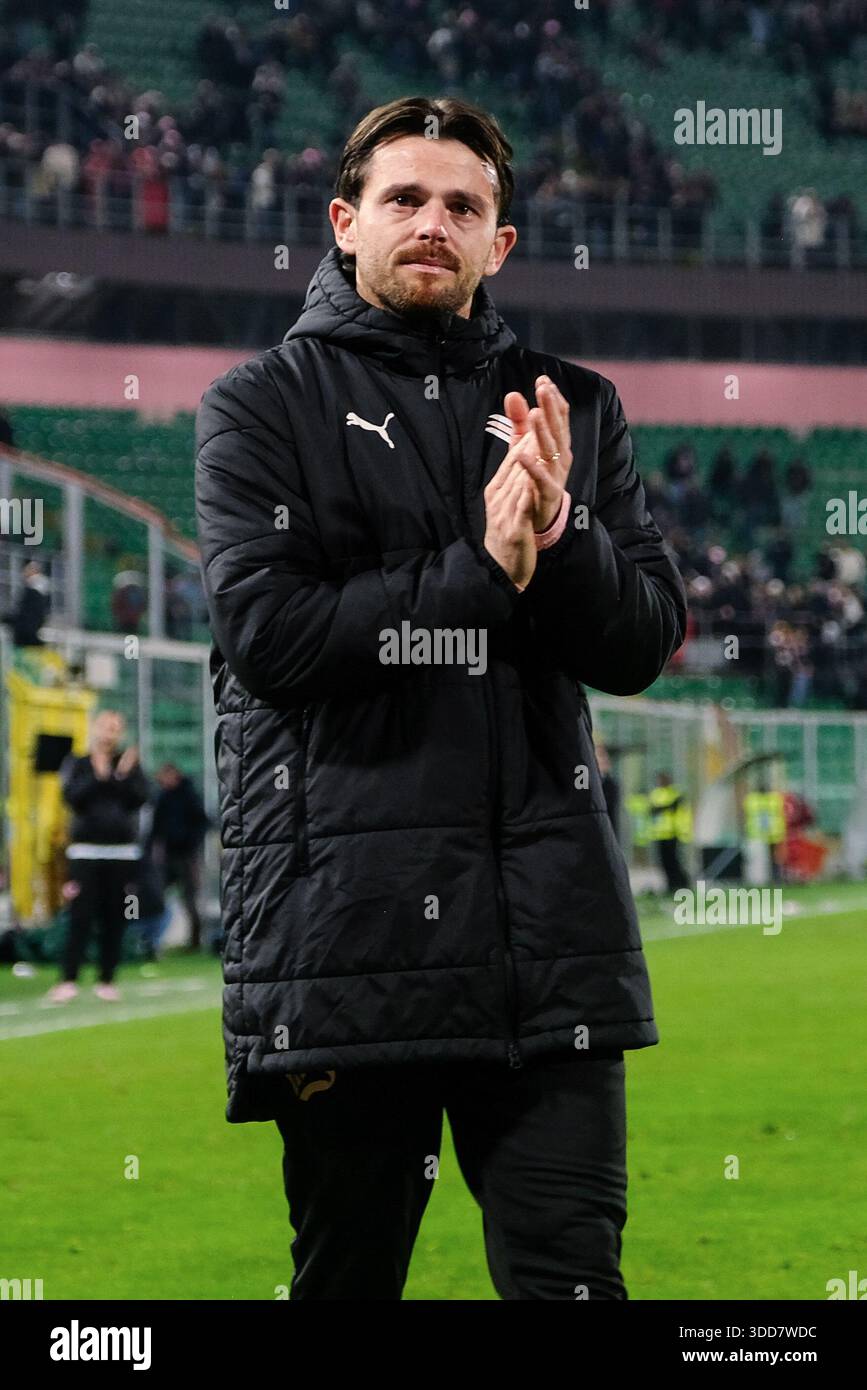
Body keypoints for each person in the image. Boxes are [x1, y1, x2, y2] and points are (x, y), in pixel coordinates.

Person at [195, 95, 687, 1301]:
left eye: (464, 206)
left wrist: (560, 532)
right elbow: (271, 638)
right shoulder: (258, 406)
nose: (433, 222)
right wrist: (481, 571)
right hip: (347, 945)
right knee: (348, 1283)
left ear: (499, 243)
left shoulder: (573, 406)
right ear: (344, 221)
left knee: (575, 1282)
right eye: (405, 198)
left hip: (547, 946)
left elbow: (642, 642)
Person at [46, 709, 149, 1003]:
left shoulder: (129, 764)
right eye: (105, 727)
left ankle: (107, 978)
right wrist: (100, 776)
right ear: (94, 729)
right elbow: (72, 798)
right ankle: (68, 979)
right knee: (79, 916)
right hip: (85, 852)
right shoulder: (78, 763)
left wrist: (119, 777)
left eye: (115, 728)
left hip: (122, 854)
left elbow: (138, 799)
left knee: (117, 916)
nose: (109, 733)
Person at [147, 763, 211, 950]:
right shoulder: (162, 797)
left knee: (190, 898)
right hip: (168, 855)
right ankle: (153, 939)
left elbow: (203, 822)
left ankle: (195, 941)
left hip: (187, 855)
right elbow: (156, 827)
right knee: (157, 895)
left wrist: (192, 842)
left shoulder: (189, 795)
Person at [1, 559, 50, 646]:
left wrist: (7, 619)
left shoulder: (33, 591)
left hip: (26, 634)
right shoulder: (40, 590)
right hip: (29, 631)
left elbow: (25, 615)